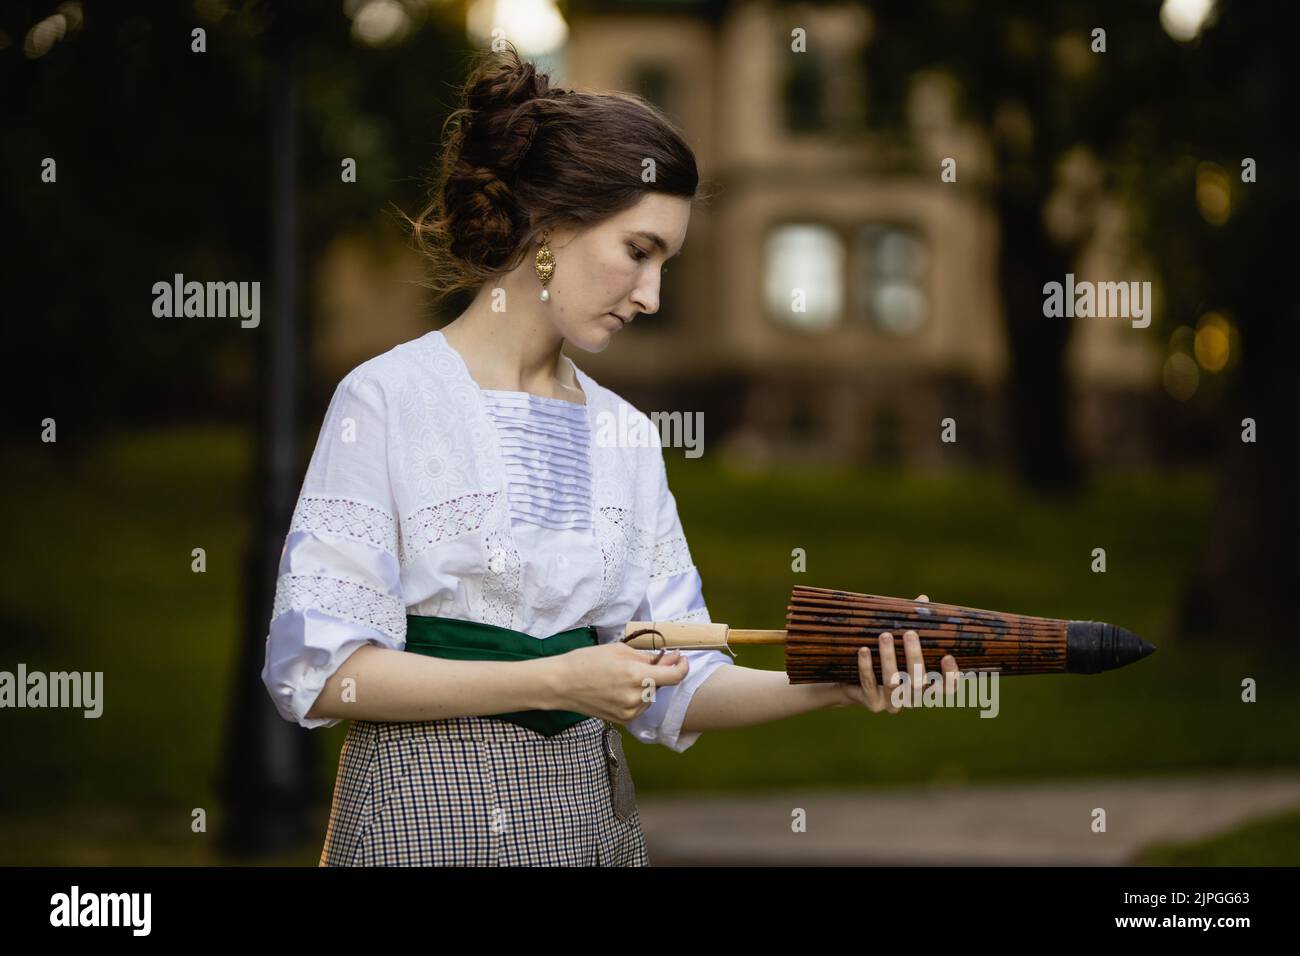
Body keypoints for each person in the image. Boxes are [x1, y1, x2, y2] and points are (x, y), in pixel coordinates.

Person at [261, 43, 959, 867]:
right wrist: (557, 679)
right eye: (638, 251)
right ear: (552, 223)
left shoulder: (624, 432)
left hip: (593, 825)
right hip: (425, 818)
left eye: (665, 263)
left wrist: (833, 682)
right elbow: (323, 672)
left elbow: (679, 679)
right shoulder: (387, 400)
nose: (652, 296)